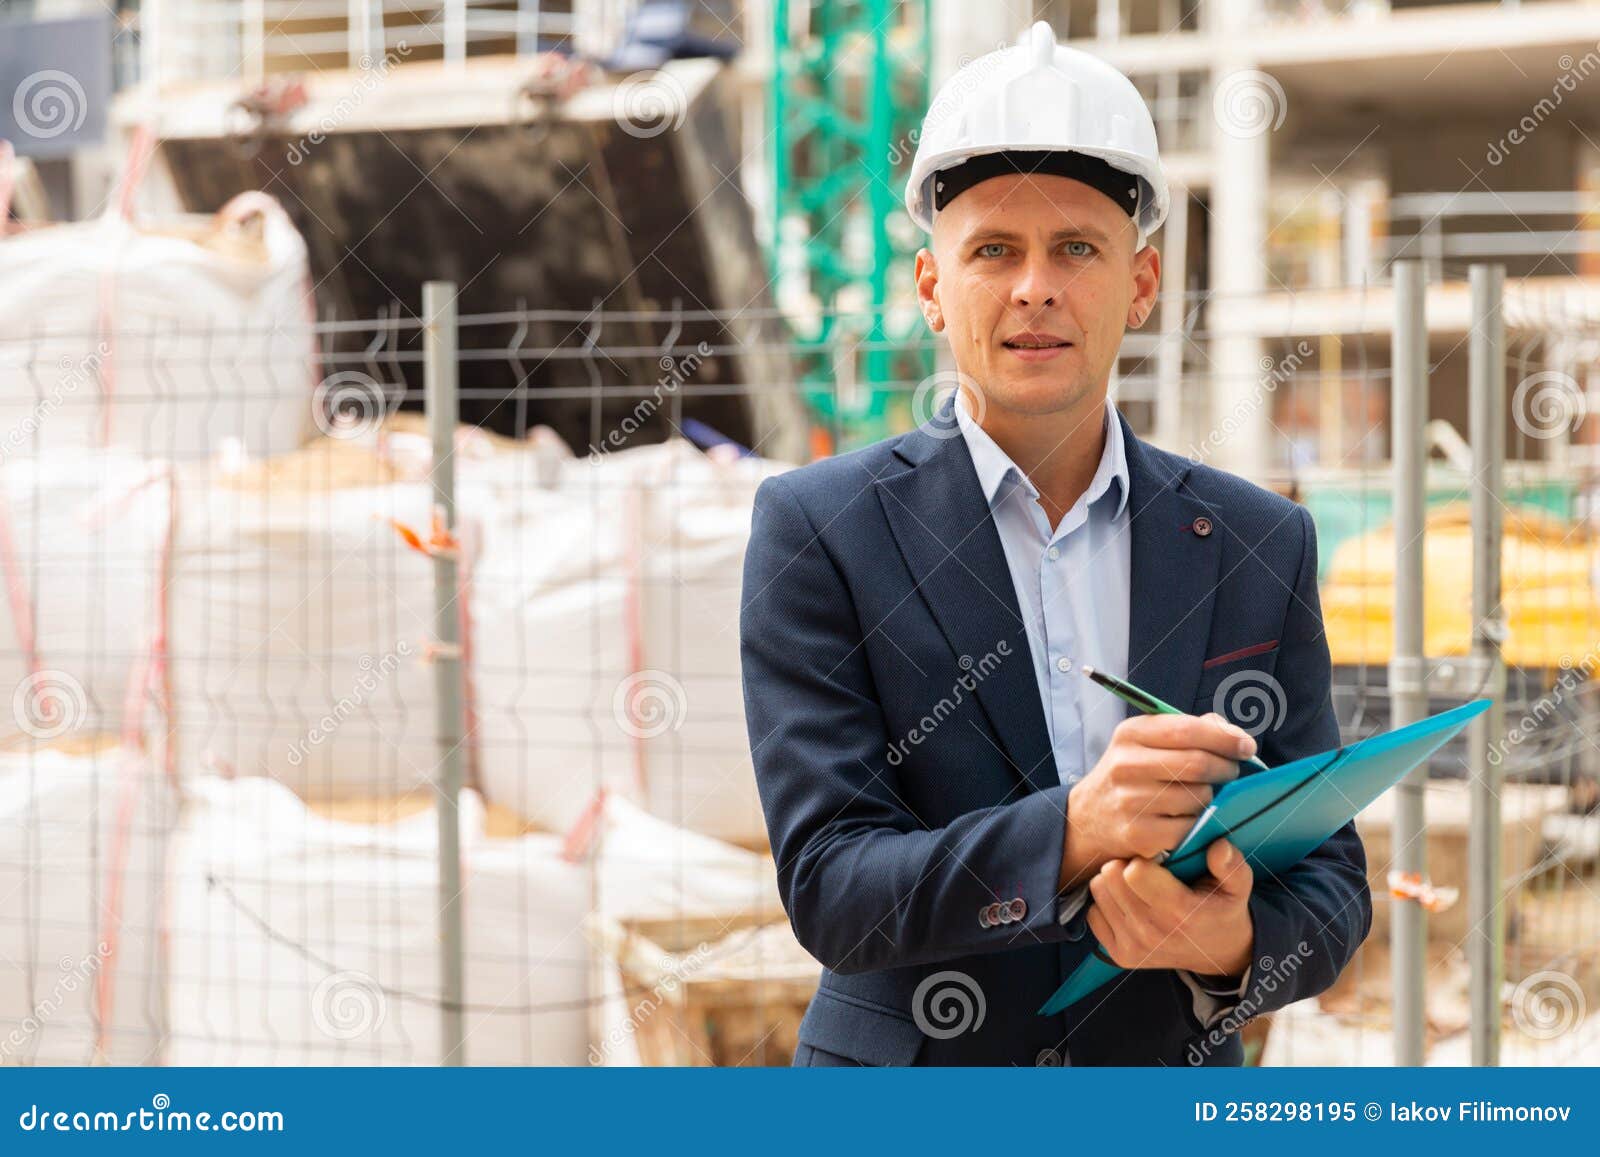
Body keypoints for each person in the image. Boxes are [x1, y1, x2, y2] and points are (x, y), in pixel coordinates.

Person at [739, 22, 1370, 1066]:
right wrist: (1072, 832)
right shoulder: (822, 529)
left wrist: (1230, 946)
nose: (1035, 285)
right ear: (932, 289)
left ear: (1141, 283)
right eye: (993, 249)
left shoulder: (1259, 540)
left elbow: (1330, 879)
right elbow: (831, 888)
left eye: (1077, 247)